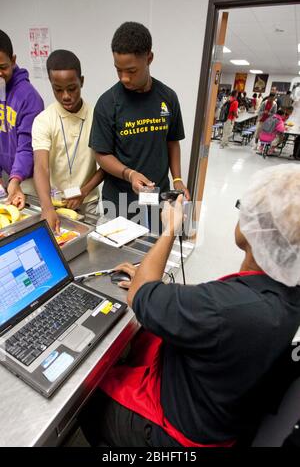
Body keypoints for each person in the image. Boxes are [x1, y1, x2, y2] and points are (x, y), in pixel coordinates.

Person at [78, 163, 300, 447]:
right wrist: (158, 287)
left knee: (88, 396)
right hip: (223, 411)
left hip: (180, 434)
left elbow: (138, 295)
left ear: (261, 231)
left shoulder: (226, 309)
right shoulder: (287, 292)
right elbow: (215, 307)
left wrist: (170, 227)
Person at [89, 21, 190, 227]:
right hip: (119, 201)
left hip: (157, 198)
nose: (124, 78)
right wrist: (130, 173)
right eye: (119, 70)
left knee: (155, 251)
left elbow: (172, 141)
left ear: (149, 58)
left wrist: (177, 178)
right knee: (118, 258)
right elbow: (101, 154)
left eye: (132, 70)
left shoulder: (168, 97)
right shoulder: (108, 103)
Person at [32, 50, 104, 232]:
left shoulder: (98, 117)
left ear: (82, 81)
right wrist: (47, 206)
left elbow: (106, 165)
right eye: (58, 89)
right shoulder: (44, 120)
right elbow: (41, 167)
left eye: (72, 88)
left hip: (88, 201)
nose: (65, 95)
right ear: (51, 85)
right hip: (55, 202)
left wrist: (85, 191)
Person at [0, 29, 44, 208]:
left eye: (3, 67)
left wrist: (15, 179)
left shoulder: (29, 98)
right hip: (7, 178)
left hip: (27, 181)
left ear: (14, 60)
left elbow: (27, 147)